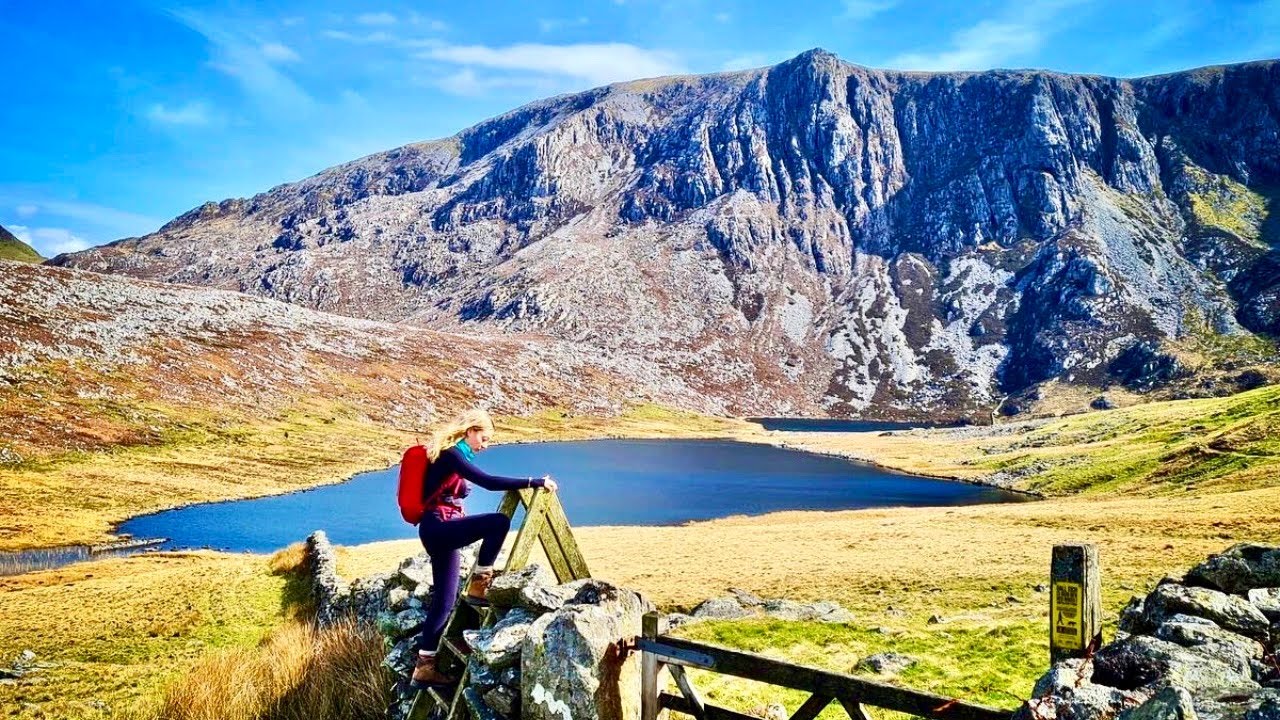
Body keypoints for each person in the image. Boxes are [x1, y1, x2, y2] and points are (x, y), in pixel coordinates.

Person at [410, 408, 558, 688]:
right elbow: (488, 482)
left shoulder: (451, 455)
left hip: (437, 529)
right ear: (470, 431)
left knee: (445, 600)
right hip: (439, 526)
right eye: (484, 438)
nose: (485, 445)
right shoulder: (452, 454)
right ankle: (481, 582)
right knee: (498, 522)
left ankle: (424, 667)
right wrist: (533, 481)